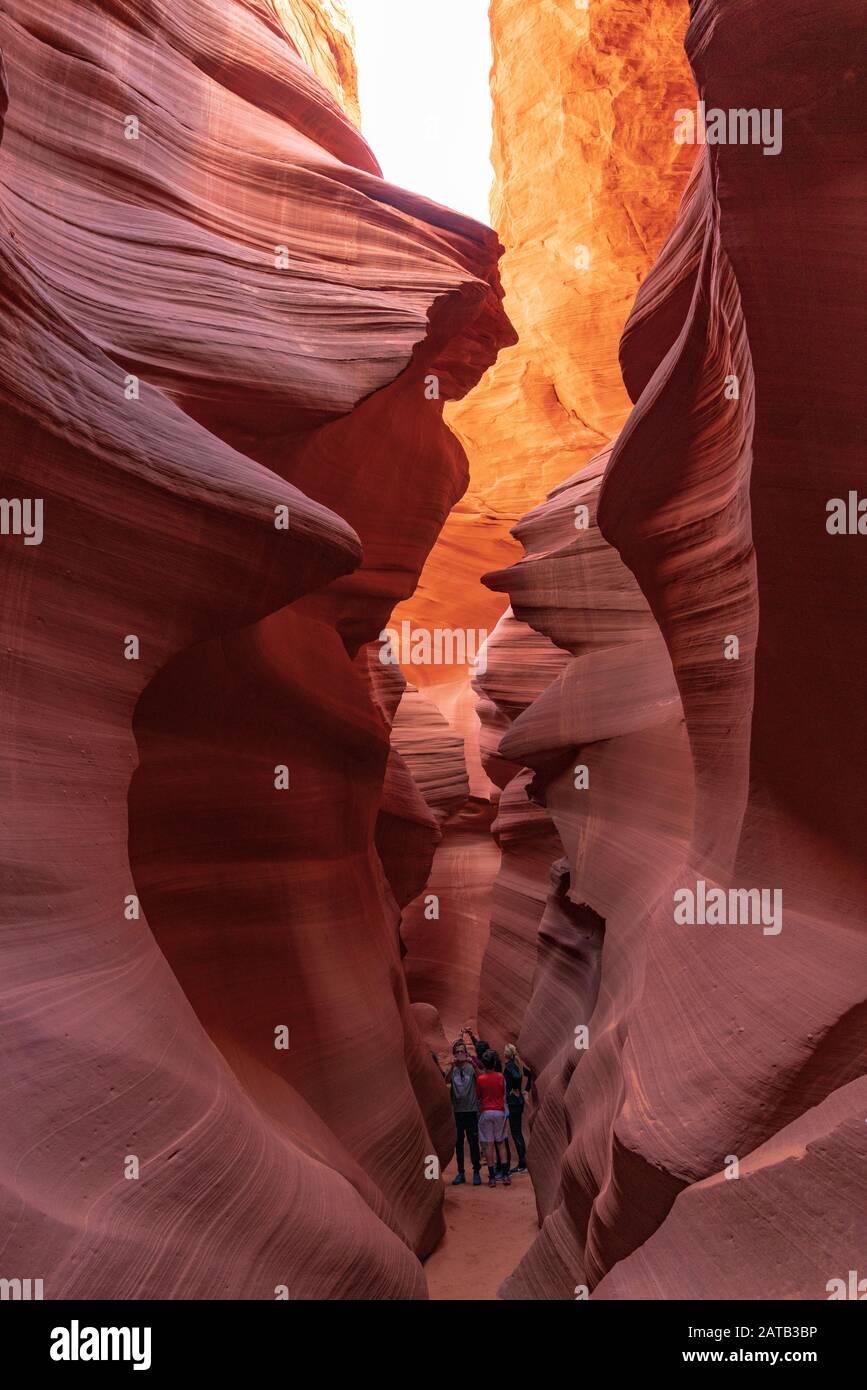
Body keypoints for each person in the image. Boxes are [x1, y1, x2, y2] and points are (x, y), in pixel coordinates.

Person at [444, 1039, 482, 1186]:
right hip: (458, 1112)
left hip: (471, 1111)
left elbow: (481, 1078)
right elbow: (445, 1081)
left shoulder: (471, 1068)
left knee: (473, 1142)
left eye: (462, 1051)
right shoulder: (453, 1070)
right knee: (458, 1143)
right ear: (454, 1054)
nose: (460, 1054)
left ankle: (476, 1171)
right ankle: (461, 1173)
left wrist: (473, 1063)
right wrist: (452, 1066)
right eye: (457, 1052)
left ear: (466, 1053)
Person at [476, 1050, 511, 1187]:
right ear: (495, 1063)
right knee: (501, 1143)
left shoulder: (480, 1079)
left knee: (489, 1144)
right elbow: (503, 1093)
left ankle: (491, 1177)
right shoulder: (501, 1077)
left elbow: (478, 1096)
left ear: (484, 1064)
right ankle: (505, 1175)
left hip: (486, 1112)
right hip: (499, 1112)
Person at [504, 1043, 528, 1174]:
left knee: (516, 1132)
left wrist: (514, 1089)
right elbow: (526, 1074)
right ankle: (522, 1162)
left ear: (507, 1053)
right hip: (518, 1101)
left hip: (514, 1102)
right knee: (517, 1132)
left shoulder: (509, 1066)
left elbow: (517, 1077)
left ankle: (522, 1163)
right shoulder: (516, 1064)